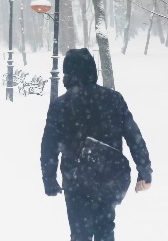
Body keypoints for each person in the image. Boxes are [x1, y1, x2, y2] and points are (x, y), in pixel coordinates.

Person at [40, 48, 152, 241]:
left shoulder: (61, 105)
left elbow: (49, 146)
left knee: (80, 233)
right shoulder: (113, 99)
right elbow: (134, 136)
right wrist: (144, 170)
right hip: (108, 177)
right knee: (105, 229)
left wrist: (49, 178)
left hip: (76, 179)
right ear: (93, 70)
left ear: (68, 73)